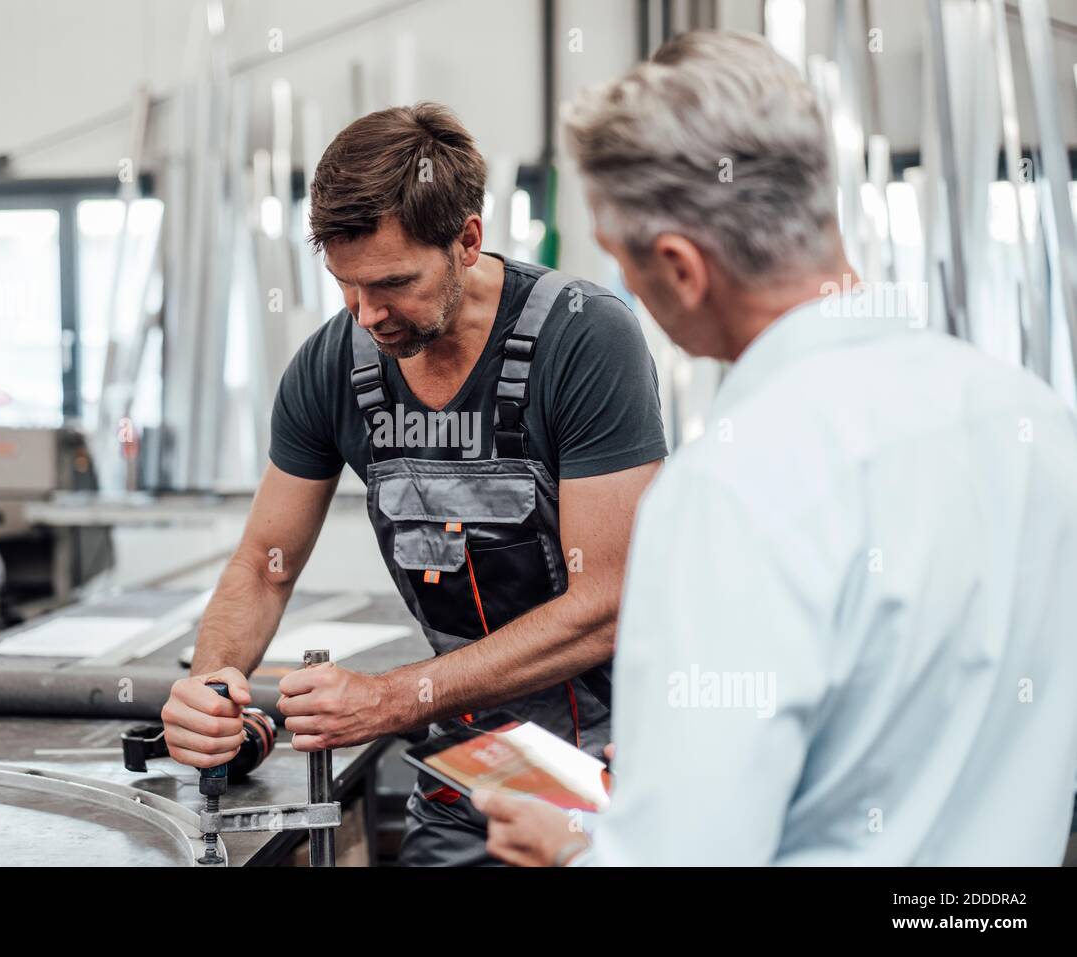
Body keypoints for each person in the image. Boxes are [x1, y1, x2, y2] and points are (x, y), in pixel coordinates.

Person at [473, 30, 1077, 866]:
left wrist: (580, 847)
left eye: (622, 263)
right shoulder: (1034, 421)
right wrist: (683, 764)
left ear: (681, 269)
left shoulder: (732, 485)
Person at [161, 102, 669, 865]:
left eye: (393, 282)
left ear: (467, 239)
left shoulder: (584, 337)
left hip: (618, 774)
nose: (368, 315)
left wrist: (396, 697)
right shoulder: (333, 364)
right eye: (346, 285)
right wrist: (211, 688)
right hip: (470, 771)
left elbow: (604, 607)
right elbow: (264, 564)